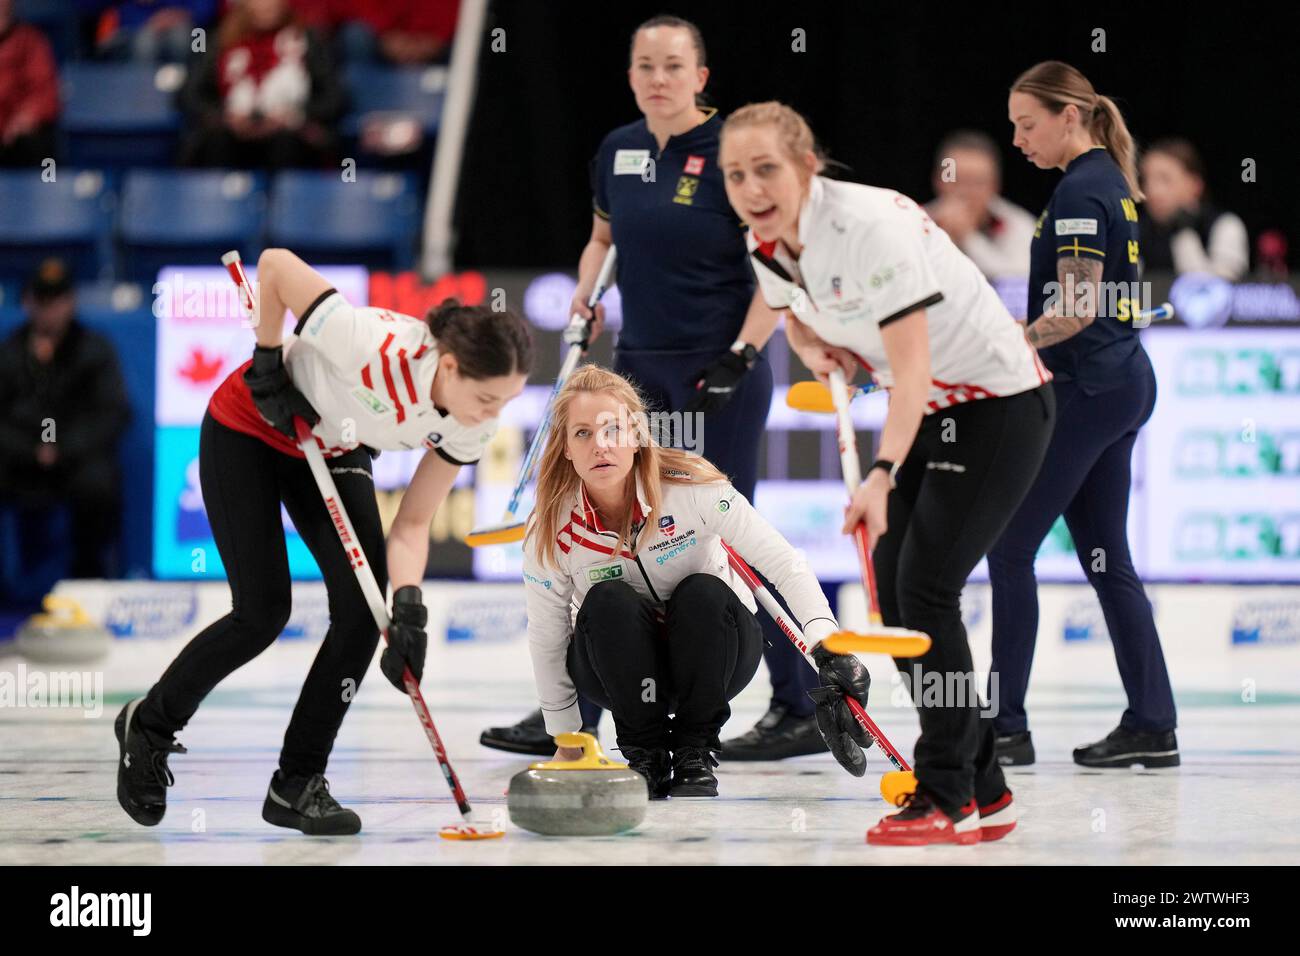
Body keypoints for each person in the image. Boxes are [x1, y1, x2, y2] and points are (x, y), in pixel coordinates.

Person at [480, 15, 826, 763]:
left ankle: (798, 703)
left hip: (718, 374)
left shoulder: (733, 152)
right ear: (631, 74)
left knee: (724, 532)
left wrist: (742, 353)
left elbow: (779, 261)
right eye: (645, 66)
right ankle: (573, 716)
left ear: (702, 76)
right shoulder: (618, 150)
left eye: (674, 66)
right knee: (609, 528)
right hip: (641, 369)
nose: (658, 78)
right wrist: (585, 290)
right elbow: (603, 240)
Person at [720, 101, 1055, 845]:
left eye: (766, 168)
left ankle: (944, 794)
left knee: (927, 588)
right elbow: (789, 313)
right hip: (938, 409)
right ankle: (985, 786)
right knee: (904, 594)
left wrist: (878, 474)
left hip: (1000, 405)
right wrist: (818, 351)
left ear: (807, 165)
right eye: (735, 173)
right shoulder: (768, 241)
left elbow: (913, 371)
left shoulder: (871, 228)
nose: (750, 186)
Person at [114, 248, 532, 835]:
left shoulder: (473, 421)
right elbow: (277, 266)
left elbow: (412, 524)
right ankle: (150, 726)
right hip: (248, 428)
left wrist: (409, 607)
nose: (493, 415)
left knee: (367, 613)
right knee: (263, 613)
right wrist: (265, 359)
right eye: (489, 398)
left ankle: (297, 782)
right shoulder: (369, 343)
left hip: (330, 447)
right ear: (452, 366)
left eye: (508, 401)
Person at [522, 365, 862, 799]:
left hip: (714, 654)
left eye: (613, 429)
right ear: (566, 448)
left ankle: (694, 752)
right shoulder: (551, 527)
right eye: (583, 433)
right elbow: (548, 635)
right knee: (608, 600)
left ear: (638, 436)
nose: (600, 445)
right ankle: (644, 754)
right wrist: (567, 740)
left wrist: (827, 645)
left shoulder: (694, 487)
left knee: (702, 591)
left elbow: (783, 563)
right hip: (617, 670)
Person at [989, 61, 1178, 769]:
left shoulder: (1078, 193)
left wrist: (1000, 342)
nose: (1017, 139)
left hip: (1091, 391)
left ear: (1070, 117)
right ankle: (1153, 724)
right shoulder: (1110, 187)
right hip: (1120, 384)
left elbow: (1073, 310)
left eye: (1027, 124)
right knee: (1107, 560)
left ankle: (1005, 726)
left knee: (1009, 548)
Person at [0, 259, 130, 581]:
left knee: (99, 484)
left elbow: (113, 412)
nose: (49, 310)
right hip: (21, 460)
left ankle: (87, 581)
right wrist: (33, 448)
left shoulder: (93, 349)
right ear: (28, 302)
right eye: (42, 301)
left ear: (70, 302)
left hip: (75, 460)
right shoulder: (11, 352)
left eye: (57, 301)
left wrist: (60, 447)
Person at [178, 0, 344, 169]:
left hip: (291, 136)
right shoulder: (219, 41)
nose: (266, 5)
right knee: (216, 140)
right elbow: (190, 96)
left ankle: (288, 194)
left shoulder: (310, 40)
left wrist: (292, 116)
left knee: (288, 142)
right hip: (231, 134)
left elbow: (333, 99)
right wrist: (226, 116)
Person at [926, 130, 1037, 279]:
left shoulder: (1019, 225)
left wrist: (968, 238)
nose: (965, 192)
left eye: (977, 183)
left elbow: (1019, 285)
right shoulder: (916, 222)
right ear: (938, 181)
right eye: (956, 180)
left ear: (995, 186)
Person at [1139, 138, 1249, 281]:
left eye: (1165, 179)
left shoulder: (1225, 225)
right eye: (1146, 181)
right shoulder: (1137, 230)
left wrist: (1184, 230)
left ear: (1195, 185)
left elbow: (1215, 291)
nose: (1152, 192)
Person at [0, 0, 59, 168]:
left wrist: (27, 116)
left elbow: (47, 93)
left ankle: (48, 186)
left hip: (17, 138)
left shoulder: (31, 41)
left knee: (39, 144)